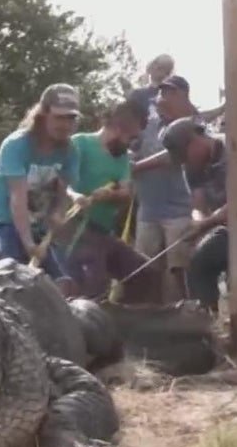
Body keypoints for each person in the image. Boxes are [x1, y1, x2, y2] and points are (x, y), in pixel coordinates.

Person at [0, 83, 82, 294]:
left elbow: (62, 193)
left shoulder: (70, 151)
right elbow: (17, 198)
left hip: (38, 227)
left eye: (70, 118)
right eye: (59, 117)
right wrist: (27, 242)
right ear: (43, 114)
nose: (65, 124)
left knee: (61, 281)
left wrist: (58, 213)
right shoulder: (16, 145)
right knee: (11, 278)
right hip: (3, 221)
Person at [63, 99, 162, 301]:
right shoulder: (79, 144)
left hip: (103, 233)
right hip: (76, 230)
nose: (132, 144)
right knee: (95, 286)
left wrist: (110, 195)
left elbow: (126, 194)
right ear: (118, 127)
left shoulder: (122, 158)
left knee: (146, 273)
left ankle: (131, 320)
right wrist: (76, 196)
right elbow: (60, 183)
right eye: (131, 137)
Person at [127, 75, 201, 302]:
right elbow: (131, 145)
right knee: (145, 269)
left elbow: (174, 155)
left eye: (170, 93)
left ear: (183, 97)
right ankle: (149, 324)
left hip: (179, 211)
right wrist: (128, 155)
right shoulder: (149, 125)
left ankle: (179, 324)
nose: (162, 98)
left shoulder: (195, 124)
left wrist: (137, 166)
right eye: (161, 93)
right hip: (148, 210)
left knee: (176, 275)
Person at [159, 117, 228, 315]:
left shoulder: (233, 152)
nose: (183, 162)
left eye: (183, 155)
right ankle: (207, 319)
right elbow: (197, 203)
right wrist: (197, 223)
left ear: (196, 140)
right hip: (224, 227)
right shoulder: (191, 167)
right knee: (197, 261)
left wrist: (208, 222)